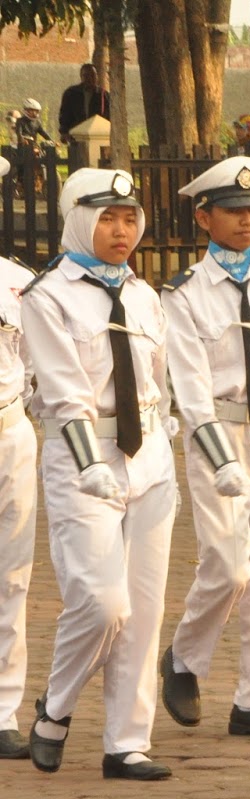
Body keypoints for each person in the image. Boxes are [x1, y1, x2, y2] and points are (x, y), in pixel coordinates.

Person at [24, 167, 179, 782]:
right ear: (79, 220)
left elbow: (159, 384)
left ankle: (127, 741)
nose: (121, 231)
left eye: (128, 218)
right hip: (81, 457)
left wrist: (162, 445)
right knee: (102, 602)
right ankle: (56, 707)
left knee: (143, 606)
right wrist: (92, 464)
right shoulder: (47, 297)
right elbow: (64, 395)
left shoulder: (144, 294)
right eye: (107, 219)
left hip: (148, 459)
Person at [159, 155, 250, 741]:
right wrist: (222, 459)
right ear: (204, 217)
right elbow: (190, 392)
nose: (246, 221)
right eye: (233, 211)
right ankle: (183, 657)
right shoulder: (185, 295)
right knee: (229, 565)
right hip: (217, 434)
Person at [0, 156, 35, 760]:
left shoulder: (18, 283)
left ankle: (2, 707)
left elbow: (37, 364)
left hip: (9, 429)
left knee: (12, 573)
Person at [58, 63, 110, 143]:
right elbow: (64, 114)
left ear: (97, 77)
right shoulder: (71, 93)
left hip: (98, 136)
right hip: (76, 135)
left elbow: (109, 116)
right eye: (86, 75)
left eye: (92, 75)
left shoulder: (103, 95)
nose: (89, 78)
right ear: (81, 77)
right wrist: (64, 132)